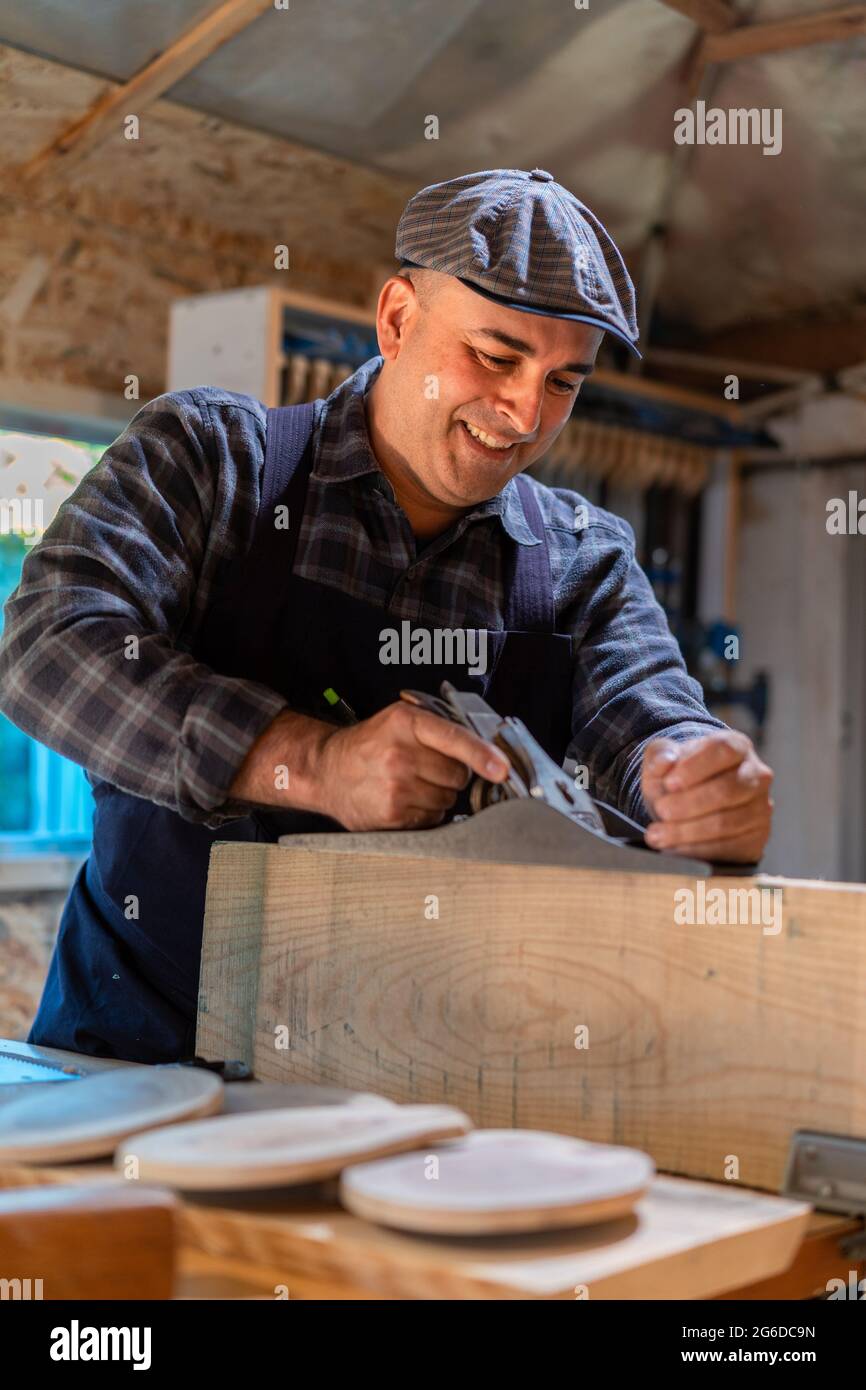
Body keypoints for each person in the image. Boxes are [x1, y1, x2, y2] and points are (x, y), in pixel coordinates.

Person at [0, 168, 773, 1063]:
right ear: (399, 319)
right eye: (495, 355)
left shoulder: (582, 559)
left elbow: (649, 715)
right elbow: (47, 641)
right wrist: (314, 763)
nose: (526, 414)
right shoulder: (212, 462)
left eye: (565, 381)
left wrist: (695, 782)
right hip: (136, 1058)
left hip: (418, 1081)